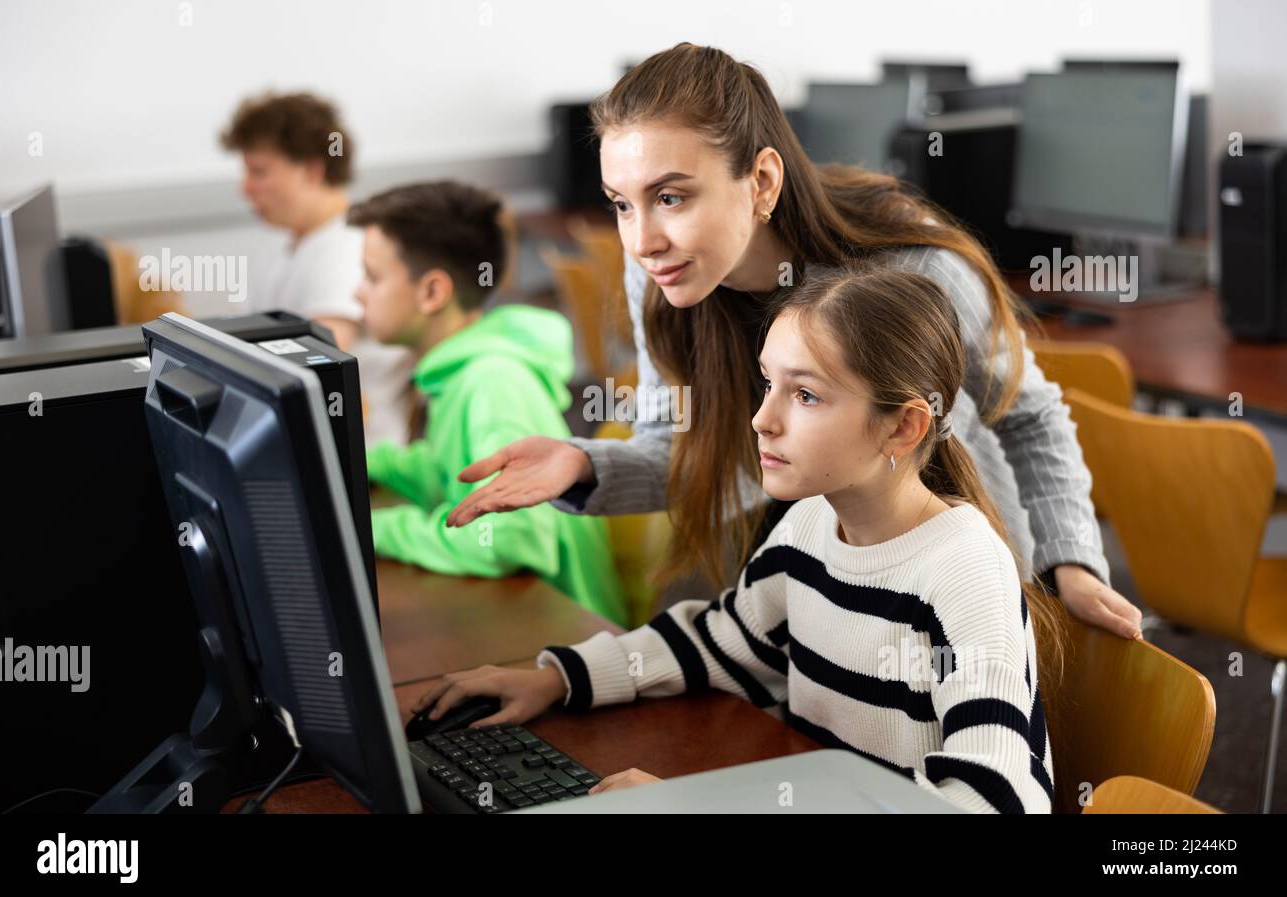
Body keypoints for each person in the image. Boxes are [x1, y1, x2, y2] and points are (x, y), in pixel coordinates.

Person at [446, 43, 1142, 640]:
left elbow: (1030, 417)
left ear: (763, 181)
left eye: (672, 197)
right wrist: (581, 463)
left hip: (954, 569)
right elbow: (681, 450)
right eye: (622, 204)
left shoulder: (914, 271)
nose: (642, 238)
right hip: (812, 551)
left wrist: (1070, 563)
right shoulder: (663, 276)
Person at [415, 266, 1062, 813]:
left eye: (805, 395)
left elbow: (997, 799)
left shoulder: (963, 569)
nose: (762, 418)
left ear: (903, 428)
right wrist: (556, 679)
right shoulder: (812, 522)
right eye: (768, 382)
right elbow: (722, 640)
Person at [349, 182, 626, 623]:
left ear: (432, 293)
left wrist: (373, 530)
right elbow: (450, 468)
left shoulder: (491, 383)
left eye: (373, 277)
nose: (357, 293)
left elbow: (510, 541)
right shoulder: (460, 373)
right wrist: (364, 464)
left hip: (563, 633)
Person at [220, 91, 413, 446]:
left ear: (312, 170)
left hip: (358, 453)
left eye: (258, 172)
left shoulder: (350, 245)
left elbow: (314, 363)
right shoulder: (286, 244)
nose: (245, 189)